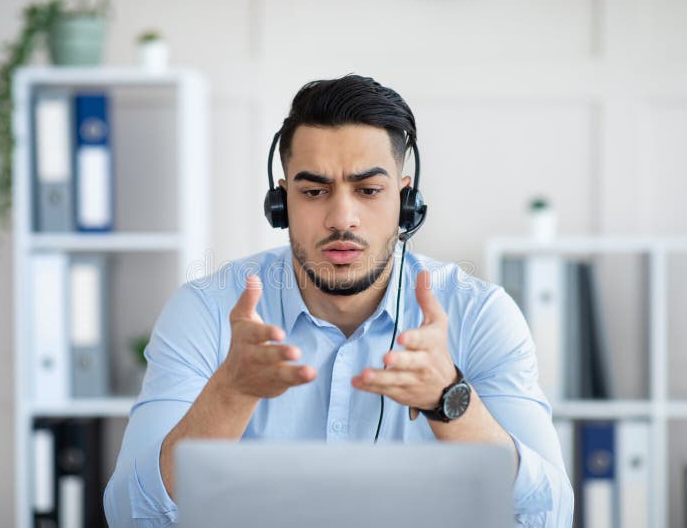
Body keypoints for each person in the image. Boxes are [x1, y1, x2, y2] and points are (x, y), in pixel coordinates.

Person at [104, 74, 574, 527]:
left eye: (369, 190)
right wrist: (231, 392)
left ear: (406, 203)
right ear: (280, 203)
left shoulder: (480, 314)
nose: (341, 217)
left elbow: (551, 517)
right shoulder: (205, 311)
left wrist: (449, 399)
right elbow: (128, 516)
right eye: (313, 191)